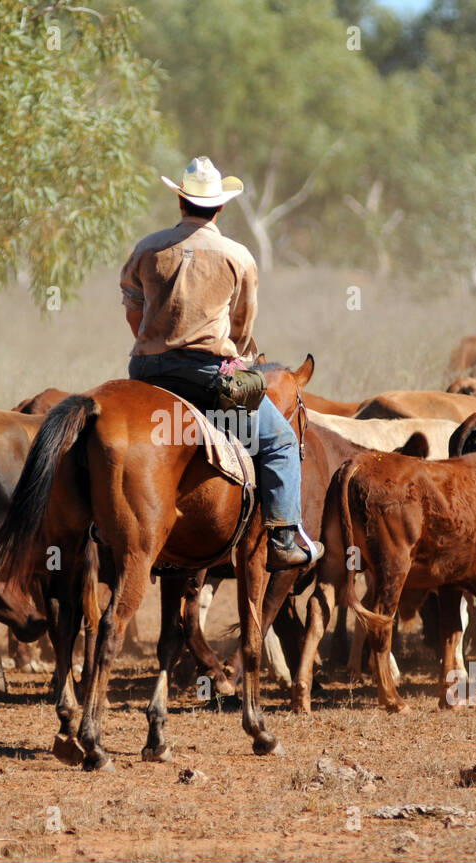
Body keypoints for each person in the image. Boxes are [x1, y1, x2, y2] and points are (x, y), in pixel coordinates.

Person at [119, 156, 323, 569]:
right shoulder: (237, 256)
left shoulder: (147, 248)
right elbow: (242, 328)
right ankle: (283, 539)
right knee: (280, 441)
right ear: (221, 207)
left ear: (180, 201)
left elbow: (133, 311)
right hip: (212, 376)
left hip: (144, 370)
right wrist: (235, 355)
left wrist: (158, 346)